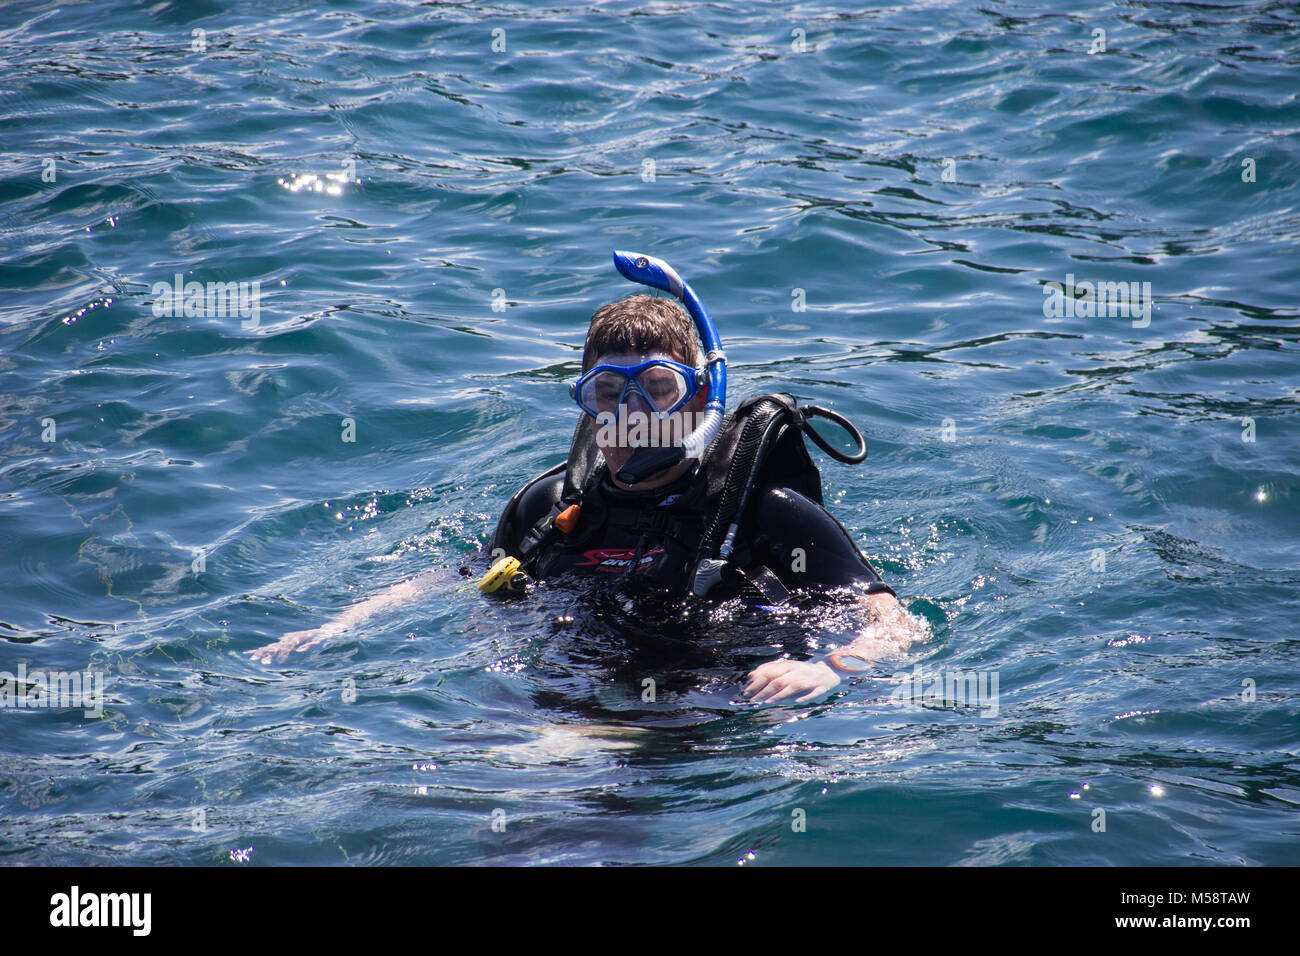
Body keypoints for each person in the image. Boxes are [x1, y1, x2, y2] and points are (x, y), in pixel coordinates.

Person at [249, 252, 924, 704]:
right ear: (586, 404)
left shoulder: (768, 514)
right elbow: (450, 578)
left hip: (700, 705)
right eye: (609, 394)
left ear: (698, 398)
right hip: (568, 689)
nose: (631, 415)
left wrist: (829, 669)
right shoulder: (547, 507)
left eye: (656, 389)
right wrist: (338, 628)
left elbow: (896, 623)